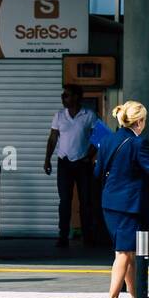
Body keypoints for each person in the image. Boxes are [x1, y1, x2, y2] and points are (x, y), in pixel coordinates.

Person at [96, 101, 149, 298]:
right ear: (139, 121)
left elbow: (97, 171)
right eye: (144, 120)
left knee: (129, 251)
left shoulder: (107, 140)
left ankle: (137, 297)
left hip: (109, 203)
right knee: (124, 253)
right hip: (130, 205)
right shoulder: (139, 143)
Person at [44, 84, 98, 249]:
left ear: (76, 97)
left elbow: (100, 137)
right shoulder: (59, 116)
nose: (63, 98)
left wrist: (89, 157)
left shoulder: (89, 115)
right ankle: (63, 236)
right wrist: (47, 159)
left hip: (82, 164)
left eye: (66, 95)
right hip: (64, 163)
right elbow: (53, 139)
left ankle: (88, 236)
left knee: (86, 201)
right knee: (65, 201)